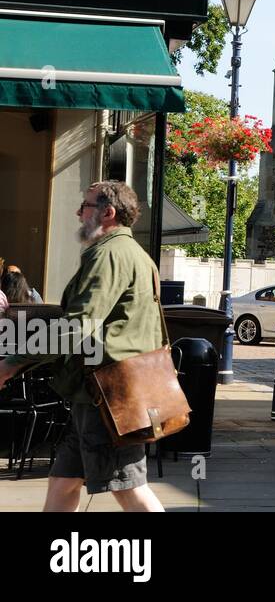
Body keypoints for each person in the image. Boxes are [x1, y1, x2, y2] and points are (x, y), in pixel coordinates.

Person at [0, 181, 165, 512]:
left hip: (109, 397)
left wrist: (13, 362)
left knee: (130, 489)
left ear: (108, 212)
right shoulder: (133, 254)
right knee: (63, 481)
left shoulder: (109, 255)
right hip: (102, 393)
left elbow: (77, 326)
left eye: (85, 206)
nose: (78, 213)